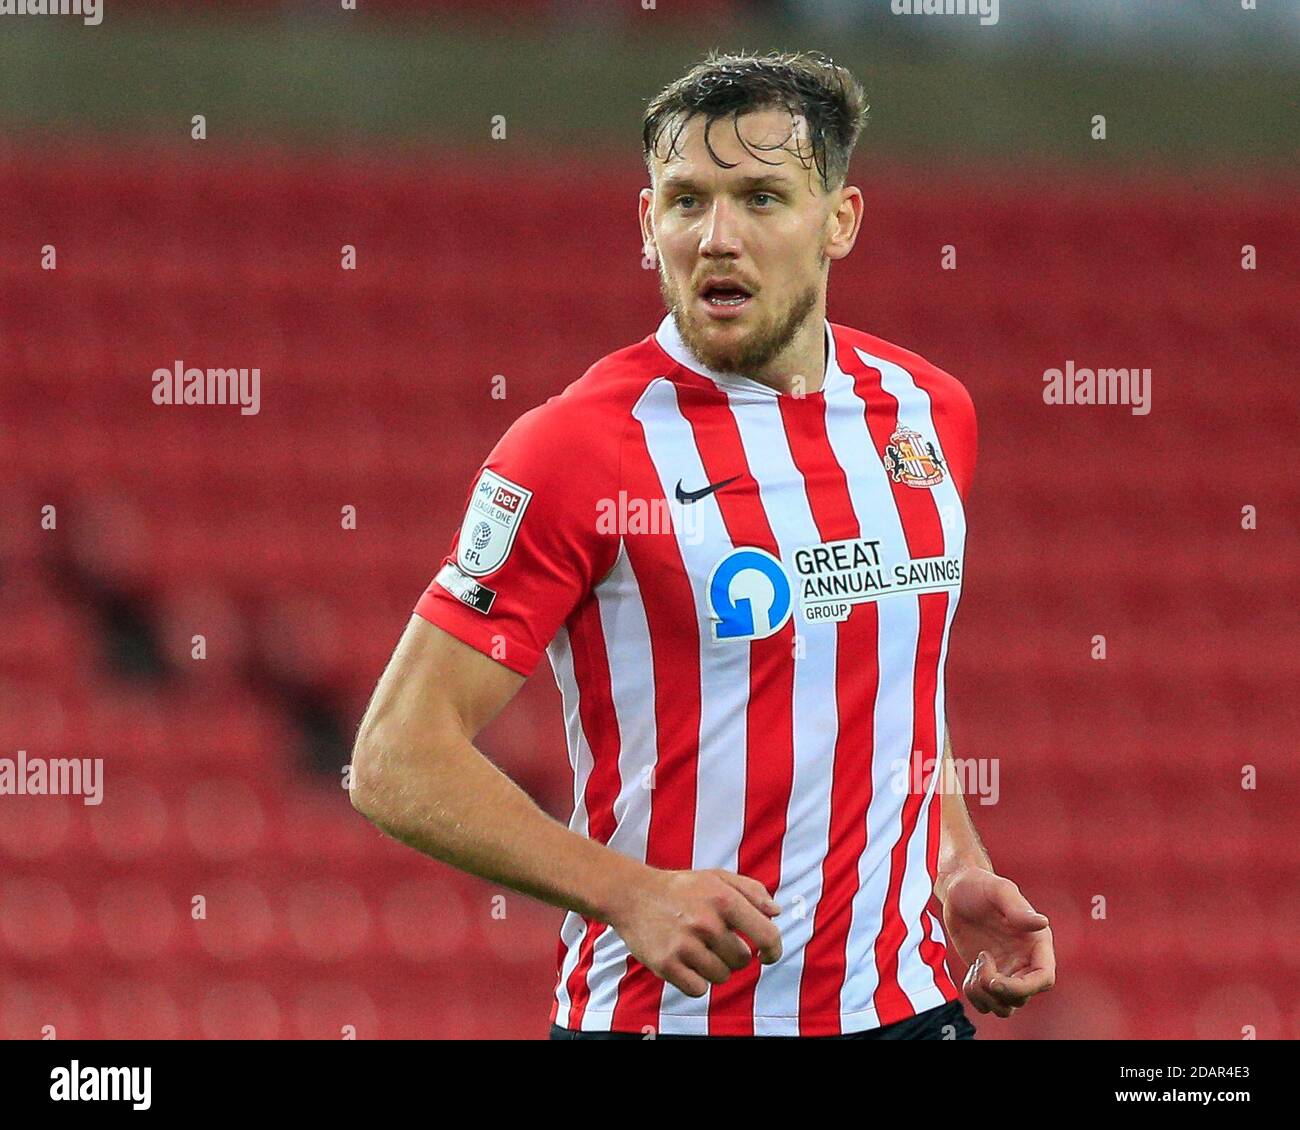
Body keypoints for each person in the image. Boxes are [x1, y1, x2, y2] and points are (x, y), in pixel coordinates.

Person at [349, 48, 1054, 1040]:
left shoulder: (927, 417)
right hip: (669, 1024)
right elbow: (394, 757)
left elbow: (890, 675)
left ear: (838, 221)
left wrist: (953, 861)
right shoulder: (578, 446)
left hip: (910, 1012)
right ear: (648, 224)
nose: (717, 237)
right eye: (685, 201)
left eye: (762, 199)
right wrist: (625, 890)